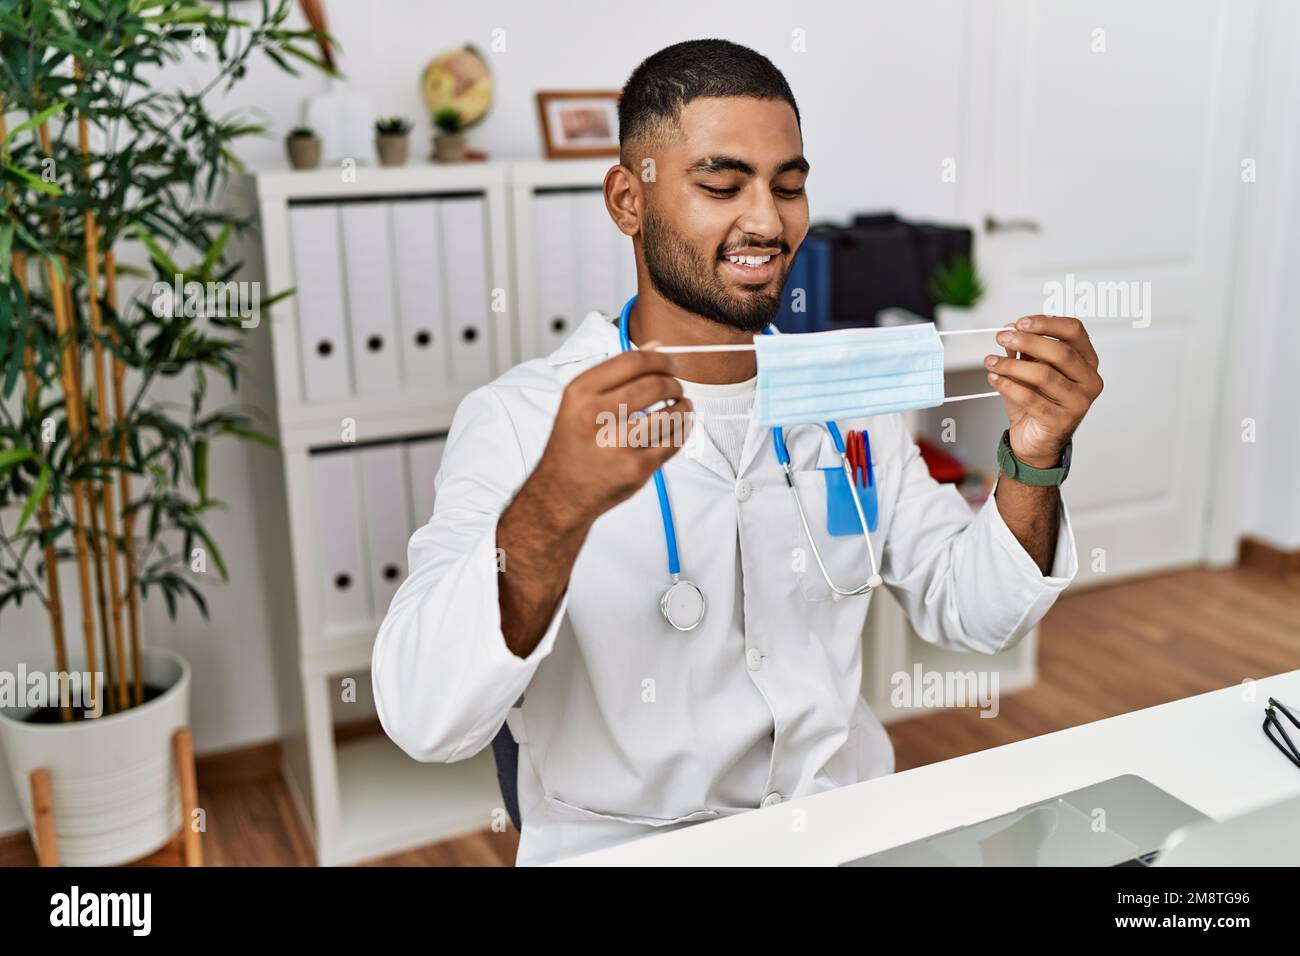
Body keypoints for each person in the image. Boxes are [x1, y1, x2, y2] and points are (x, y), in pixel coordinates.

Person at [372, 38, 1103, 866]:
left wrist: (1033, 456)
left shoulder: (844, 402)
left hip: (845, 833)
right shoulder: (519, 420)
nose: (767, 220)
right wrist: (554, 505)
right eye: (722, 185)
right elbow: (423, 718)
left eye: (789, 187)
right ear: (627, 200)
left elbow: (976, 614)